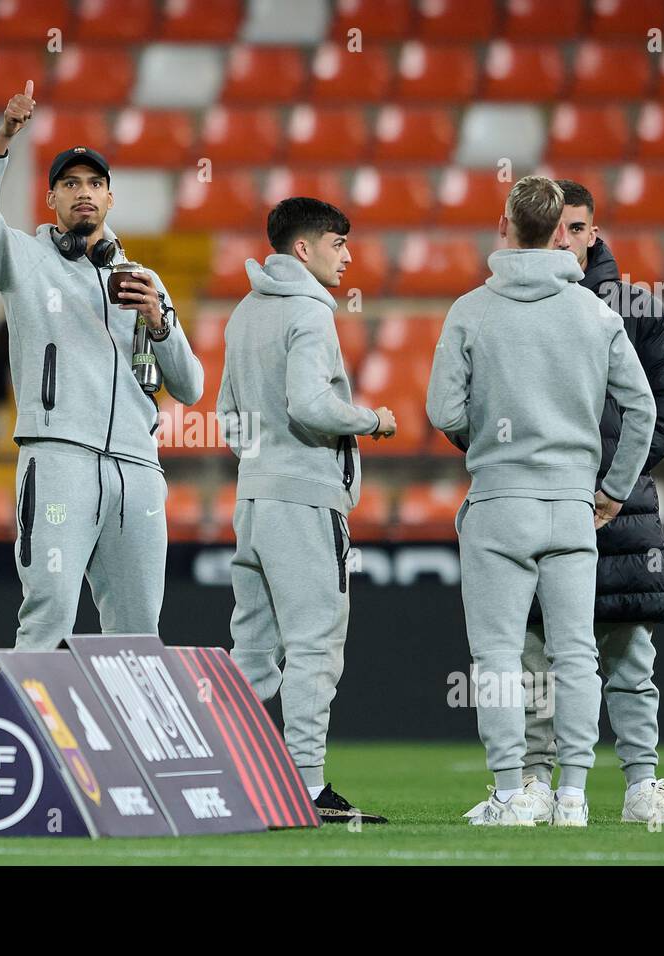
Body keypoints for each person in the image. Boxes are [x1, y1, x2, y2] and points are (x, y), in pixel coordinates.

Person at [428, 176, 655, 827]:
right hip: (570, 506)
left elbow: (442, 407)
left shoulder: (470, 309)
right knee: (577, 651)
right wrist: (612, 488)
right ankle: (575, 796)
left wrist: (490, 436)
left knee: (498, 657)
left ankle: (512, 791)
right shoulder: (595, 312)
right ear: (562, 231)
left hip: (499, 502)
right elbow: (640, 407)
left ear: (506, 225)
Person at [0, 81, 203, 649]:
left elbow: (189, 386)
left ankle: (130, 743)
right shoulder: (24, 259)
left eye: (94, 183)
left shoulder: (143, 280)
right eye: (69, 184)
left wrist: (159, 322)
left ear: (110, 198)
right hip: (59, 455)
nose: (83, 193)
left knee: (139, 633)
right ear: (52, 201)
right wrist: (2, 142)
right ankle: (31, 740)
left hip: (139, 469)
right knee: (48, 616)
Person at [518, 180, 664, 825]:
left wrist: (616, 483)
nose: (564, 238)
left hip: (620, 508)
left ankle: (641, 785)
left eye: (576, 227)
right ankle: (536, 784)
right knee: (537, 653)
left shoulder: (635, 308)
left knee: (628, 654)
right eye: (555, 226)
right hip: (543, 499)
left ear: (593, 233)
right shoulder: (515, 304)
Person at [217, 197, 396, 822]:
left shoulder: (243, 313)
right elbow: (309, 406)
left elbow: (228, 421)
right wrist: (373, 420)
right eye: (338, 242)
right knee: (315, 646)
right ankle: (306, 785)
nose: (348, 255)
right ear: (304, 249)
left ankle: (234, 774)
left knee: (253, 649)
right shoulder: (311, 315)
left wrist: (263, 467)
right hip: (303, 503)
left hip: (253, 500)